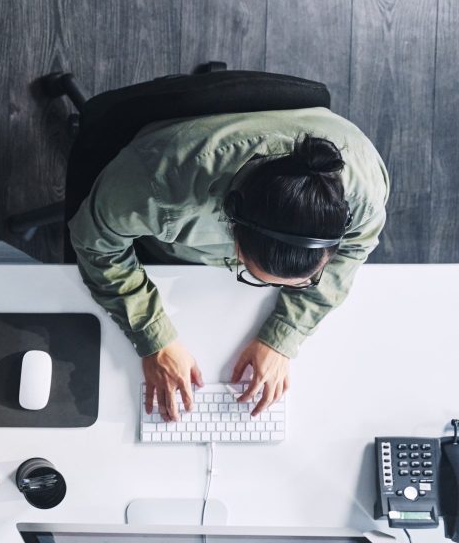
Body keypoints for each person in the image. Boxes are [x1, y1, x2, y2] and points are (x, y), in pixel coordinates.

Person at [69, 109, 388, 421]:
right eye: (254, 275)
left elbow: (354, 249)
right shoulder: (154, 186)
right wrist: (155, 340)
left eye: (306, 279)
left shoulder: (364, 192)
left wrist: (284, 336)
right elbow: (96, 246)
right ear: (233, 236)